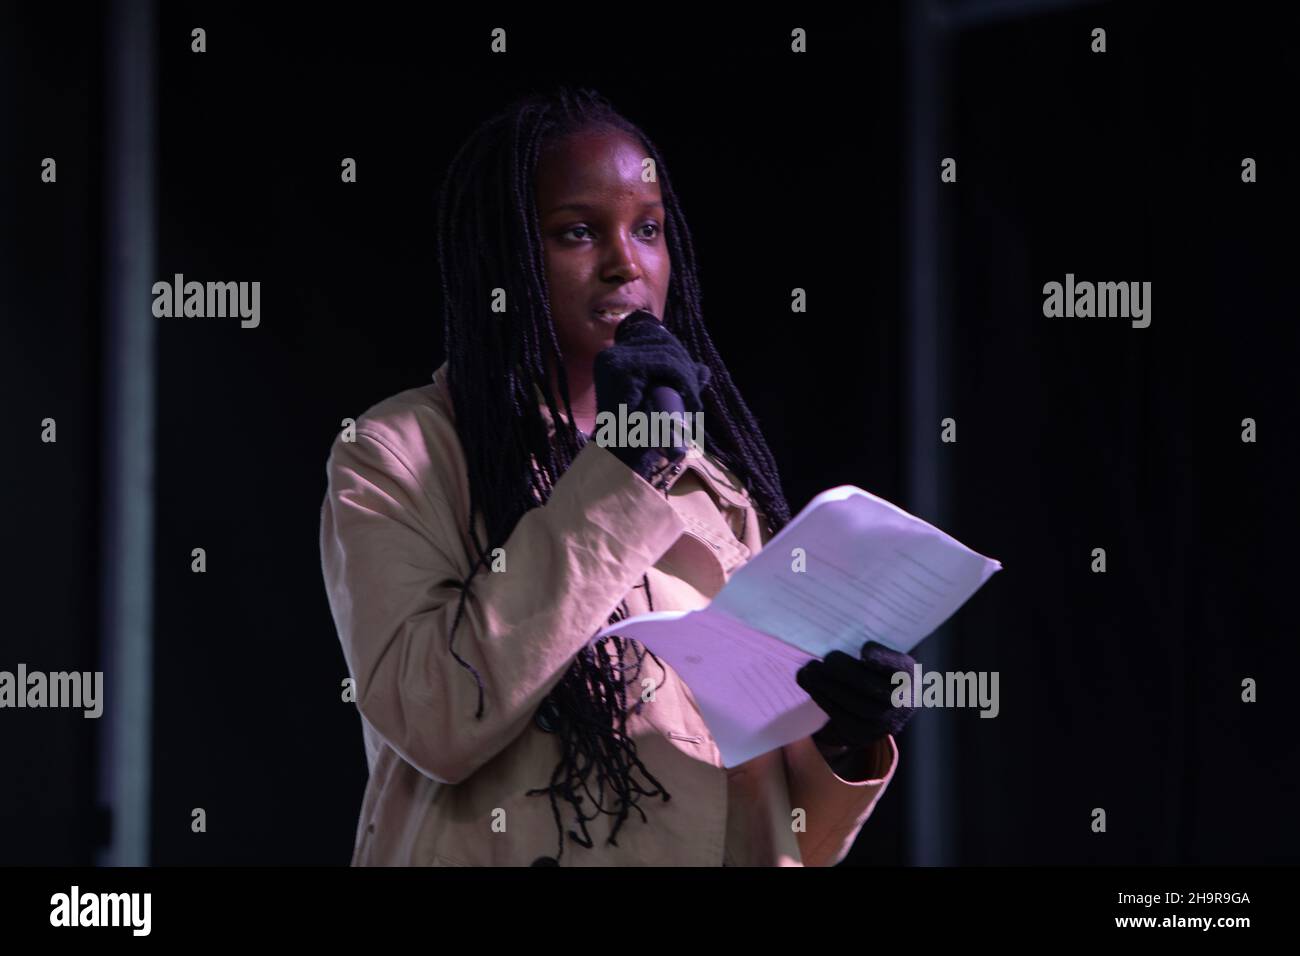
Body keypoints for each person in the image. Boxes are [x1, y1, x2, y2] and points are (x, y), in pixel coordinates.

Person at [319, 86, 916, 867]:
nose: (624, 264)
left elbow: (793, 832)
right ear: (503, 258)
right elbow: (436, 715)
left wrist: (844, 729)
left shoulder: (715, 487)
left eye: (649, 230)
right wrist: (622, 472)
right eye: (576, 233)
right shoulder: (399, 452)